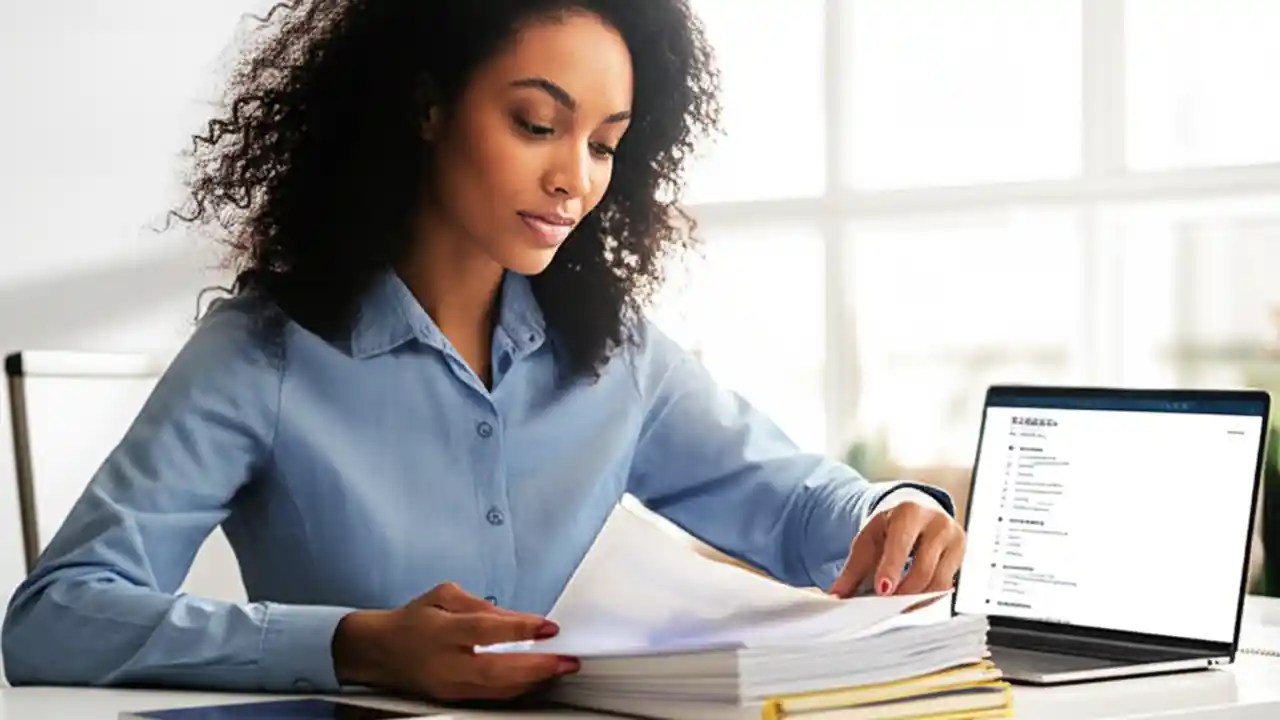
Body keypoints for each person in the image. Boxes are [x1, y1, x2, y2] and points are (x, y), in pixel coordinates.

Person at [1, 0, 965, 702]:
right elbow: (58, 615)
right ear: (427, 108)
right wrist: (357, 645)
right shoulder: (264, 355)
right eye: (537, 125)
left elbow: (793, 500)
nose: (573, 180)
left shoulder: (614, 354)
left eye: (603, 144)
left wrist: (892, 510)